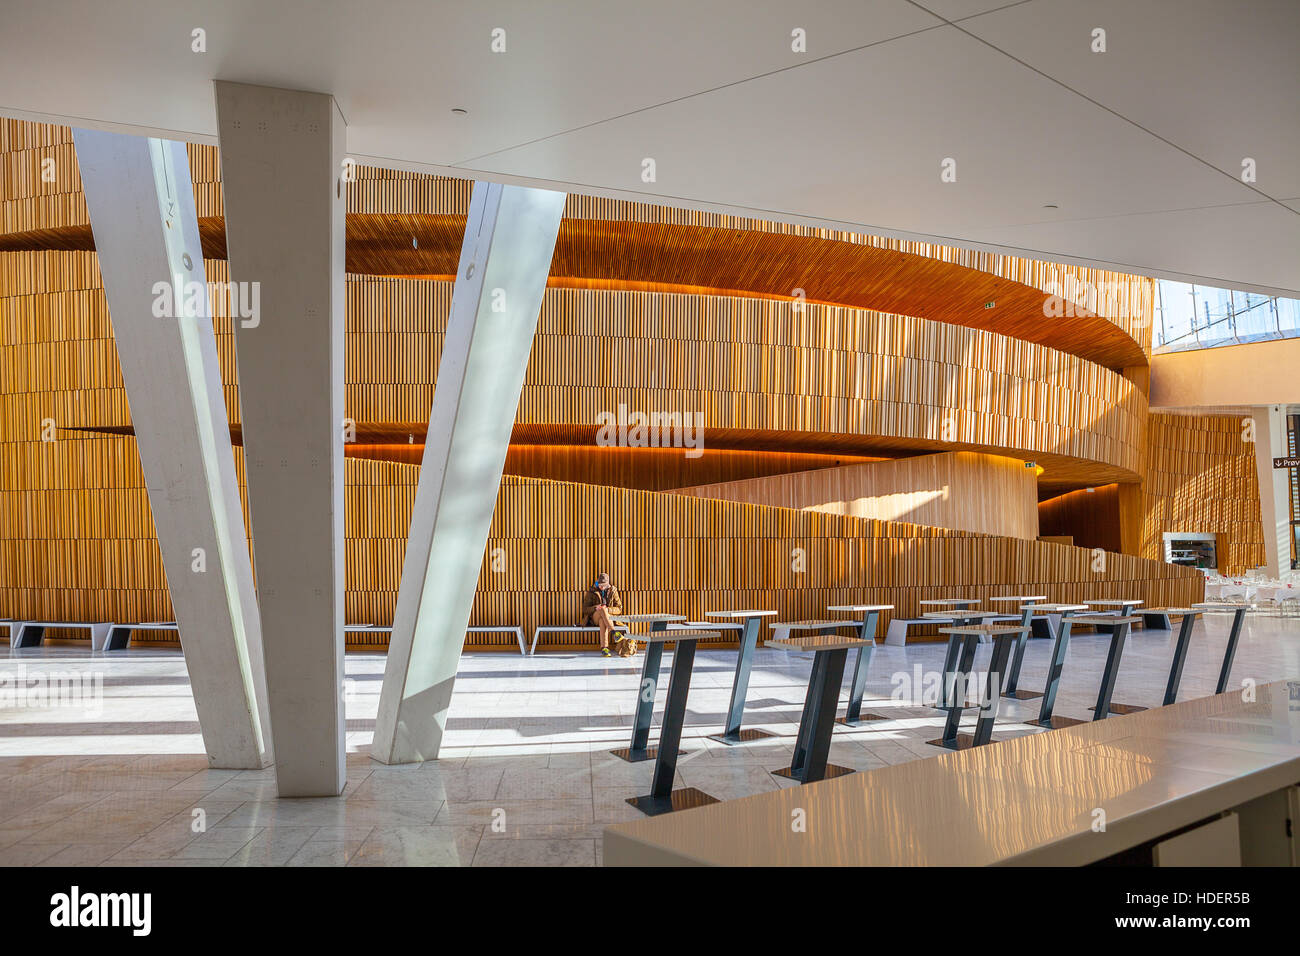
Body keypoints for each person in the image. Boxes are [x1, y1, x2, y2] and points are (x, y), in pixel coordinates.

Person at [583, 572, 624, 657]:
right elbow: (585, 609)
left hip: (608, 618)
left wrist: (608, 609)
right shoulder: (592, 590)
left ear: (607, 584)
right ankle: (614, 632)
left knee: (603, 619)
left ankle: (604, 648)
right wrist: (595, 608)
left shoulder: (613, 591)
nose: (601, 587)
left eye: (603, 585)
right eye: (599, 585)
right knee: (602, 610)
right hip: (595, 617)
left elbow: (619, 608)